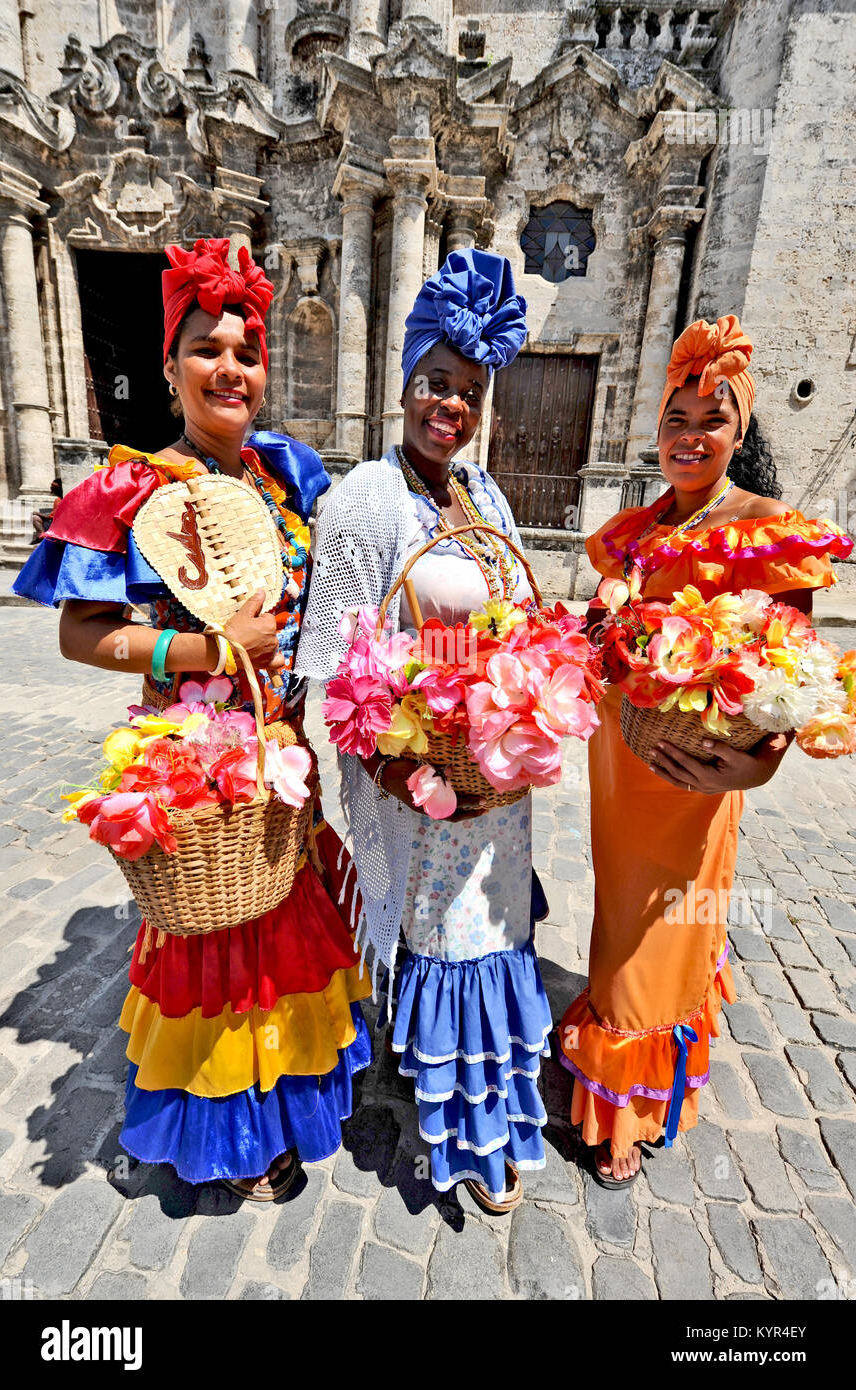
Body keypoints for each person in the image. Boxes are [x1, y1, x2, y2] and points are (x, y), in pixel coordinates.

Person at [14, 237, 371, 1201]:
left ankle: (285, 1095)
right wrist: (212, 652)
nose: (230, 368)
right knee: (219, 946)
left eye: (247, 352)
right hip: (198, 773)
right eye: (207, 349)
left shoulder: (285, 476)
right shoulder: (132, 488)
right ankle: (229, 1126)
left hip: (285, 760)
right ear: (170, 367)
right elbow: (81, 635)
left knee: (285, 936)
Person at [558, 316, 853, 1185]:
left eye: (711, 420)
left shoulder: (766, 530)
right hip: (619, 765)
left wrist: (764, 762)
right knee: (618, 920)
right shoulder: (636, 529)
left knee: (659, 933)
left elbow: (796, 667)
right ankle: (614, 1053)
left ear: (739, 430)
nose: (689, 437)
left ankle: (625, 1108)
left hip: (693, 780)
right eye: (675, 420)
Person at [296, 249, 554, 1214]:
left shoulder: (483, 496)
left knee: (496, 929)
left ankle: (480, 1089)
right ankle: (474, 1130)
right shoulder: (365, 499)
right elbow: (337, 666)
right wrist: (407, 776)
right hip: (423, 779)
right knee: (451, 940)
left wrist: (528, 700)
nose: (452, 406)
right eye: (437, 383)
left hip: (494, 777)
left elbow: (516, 616)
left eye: (470, 392)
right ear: (405, 384)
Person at [31, 477, 63, 545]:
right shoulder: (62, 499)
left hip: (56, 526)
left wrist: (37, 513)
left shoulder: (58, 500)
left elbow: (51, 517)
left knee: (35, 517)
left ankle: (42, 535)